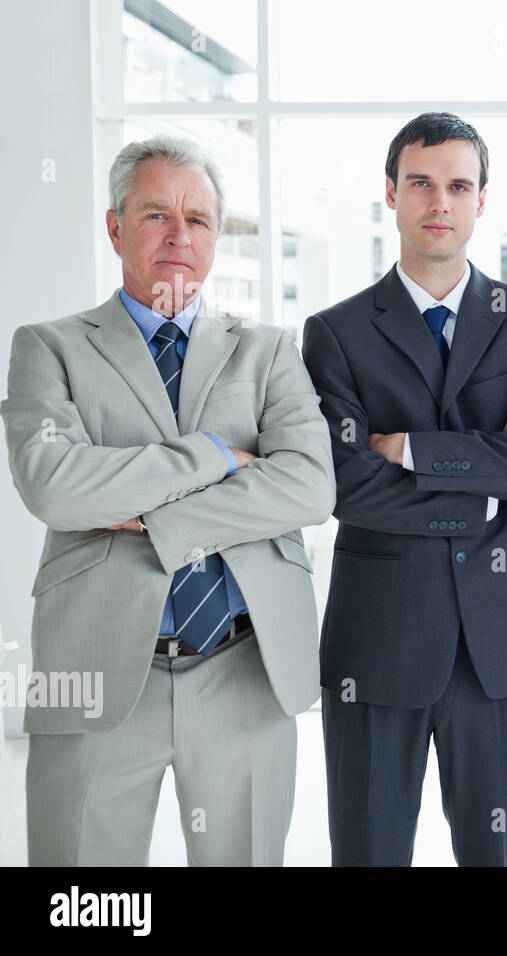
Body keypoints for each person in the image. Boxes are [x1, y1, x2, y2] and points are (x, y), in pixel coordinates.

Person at [1, 135, 335, 865]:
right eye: (157, 214)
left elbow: (310, 485)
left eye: (200, 219)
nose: (180, 236)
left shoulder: (268, 350)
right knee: (82, 899)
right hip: (89, 669)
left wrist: (141, 511)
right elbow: (53, 486)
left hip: (245, 668)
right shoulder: (48, 347)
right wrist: (216, 455)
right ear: (116, 226)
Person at [301, 112, 507, 866]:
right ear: (390, 194)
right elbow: (349, 484)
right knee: (368, 853)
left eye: (459, 185)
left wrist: (415, 451)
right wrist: (493, 486)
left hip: (501, 651)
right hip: (377, 644)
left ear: (481, 201)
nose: (440, 202)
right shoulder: (336, 332)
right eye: (420, 183)